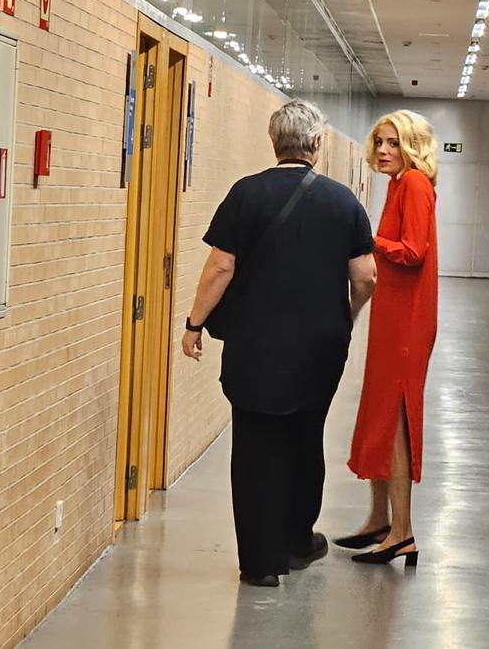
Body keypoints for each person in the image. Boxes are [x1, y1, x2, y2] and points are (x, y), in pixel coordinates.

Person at [182, 100, 377, 588]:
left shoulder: (245, 195)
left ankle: (259, 562)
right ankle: (297, 541)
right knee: (305, 437)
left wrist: (193, 323)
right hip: (320, 346)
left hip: (255, 345)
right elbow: (366, 276)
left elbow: (221, 267)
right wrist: (345, 316)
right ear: (316, 143)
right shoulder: (342, 201)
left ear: (275, 141)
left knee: (253, 445)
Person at [339, 110, 439, 567]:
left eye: (393, 143)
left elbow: (414, 251)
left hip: (408, 318)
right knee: (381, 409)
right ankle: (380, 519)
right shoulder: (398, 184)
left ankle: (403, 533)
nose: (382, 150)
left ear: (412, 146)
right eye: (379, 141)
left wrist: (369, 240)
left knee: (396, 416)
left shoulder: (415, 184)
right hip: (393, 310)